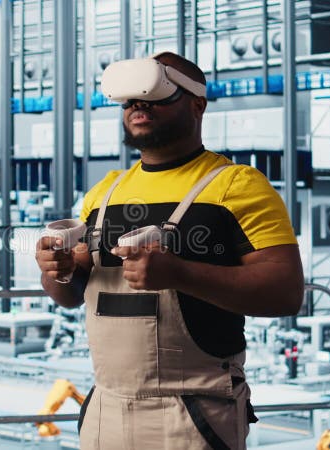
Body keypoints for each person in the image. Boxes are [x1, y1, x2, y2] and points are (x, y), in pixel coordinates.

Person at [34, 51, 304, 450]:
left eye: (156, 93)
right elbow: (70, 295)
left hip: (192, 413)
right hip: (106, 409)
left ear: (197, 104)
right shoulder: (103, 194)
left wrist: (179, 273)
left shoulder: (237, 185)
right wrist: (54, 269)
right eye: (130, 99)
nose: (138, 105)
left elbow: (286, 292)